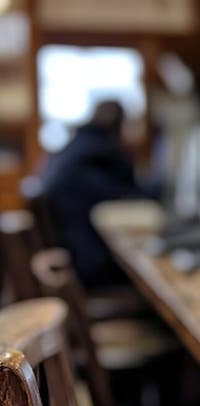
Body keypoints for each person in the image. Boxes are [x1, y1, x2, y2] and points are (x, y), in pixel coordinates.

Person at [41, 100, 145, 287]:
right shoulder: (97, 153)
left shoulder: (74, 147)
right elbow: (123, 195)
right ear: (119, 125)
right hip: (89, 264)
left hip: (74, 255)